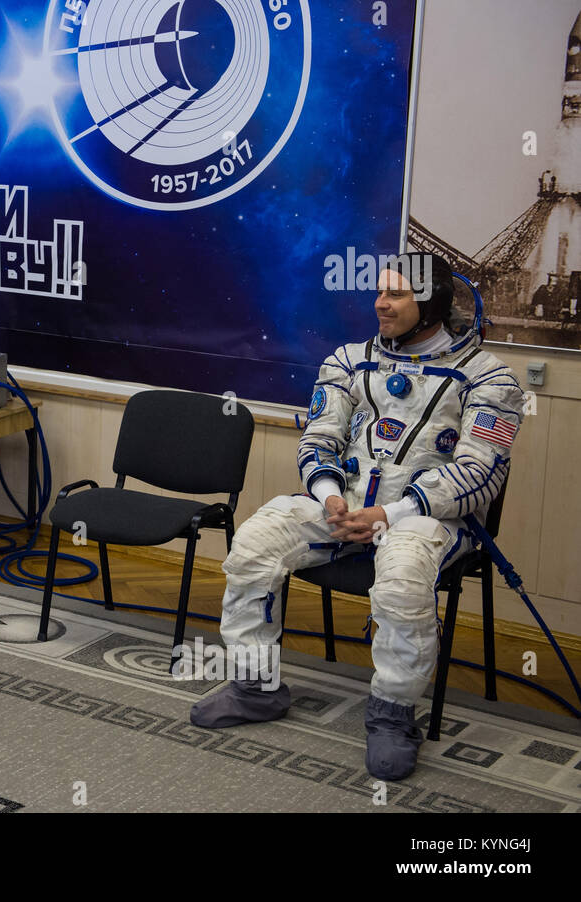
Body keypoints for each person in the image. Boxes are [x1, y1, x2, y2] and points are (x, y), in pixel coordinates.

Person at [189, 253, 525, 781]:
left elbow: (480, 473)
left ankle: (392, 714)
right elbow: (319, 438)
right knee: (254, 544)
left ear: (432, 303)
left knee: (403, 577)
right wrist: (329, 498)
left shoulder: (490, 380)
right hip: (343, 507)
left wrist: (389, 513)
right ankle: (257, 687)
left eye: (395, 295)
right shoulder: (348, 361)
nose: (380, 304)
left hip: (426, 519)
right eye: (379, 292)